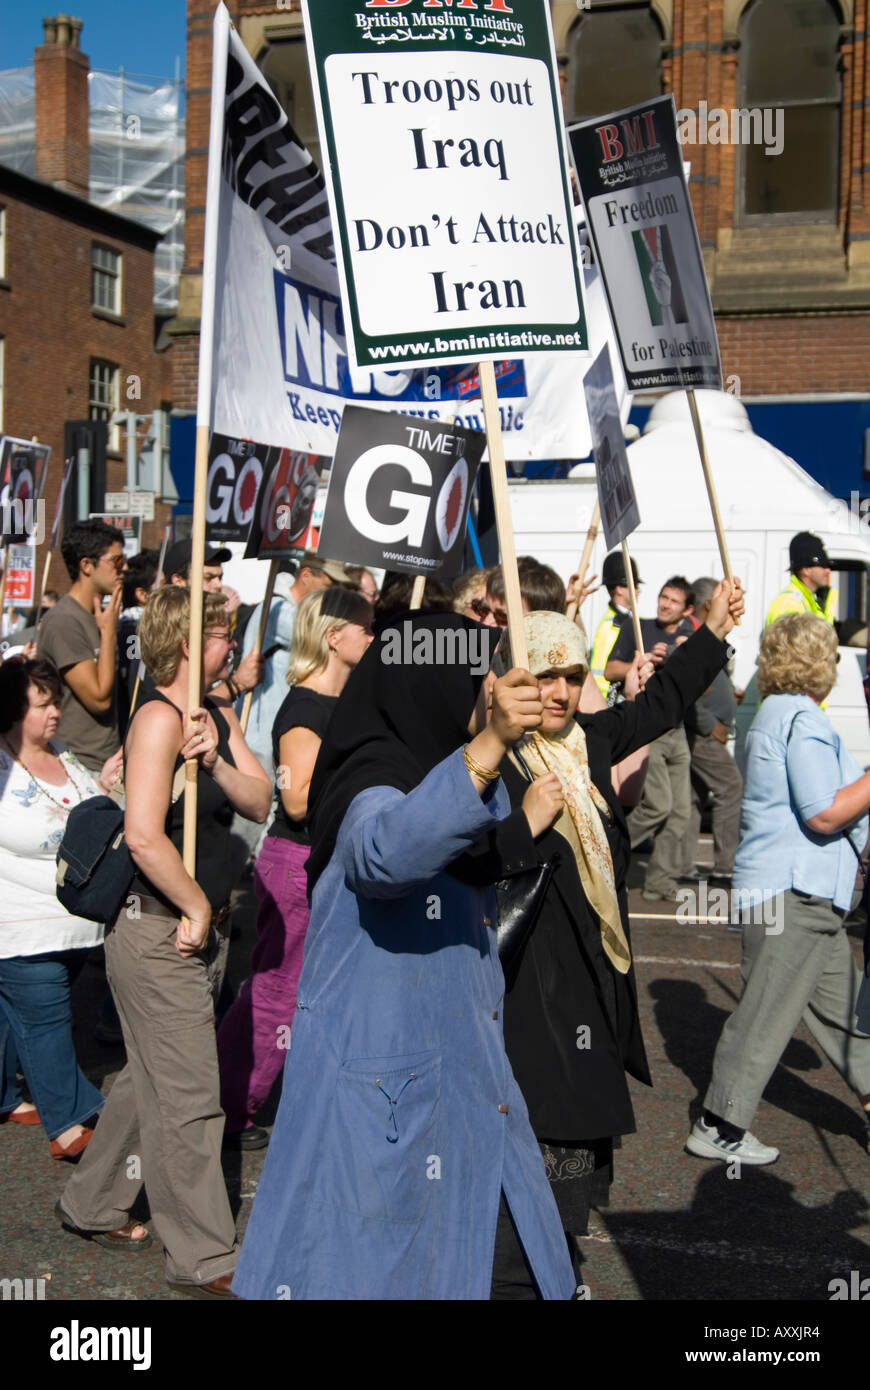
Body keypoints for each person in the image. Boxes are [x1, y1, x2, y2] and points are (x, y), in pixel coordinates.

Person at [231, 612, 578, 1301]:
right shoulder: (372, 775)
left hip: (469, 1086)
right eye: (474, 673)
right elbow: (385, 855)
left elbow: (474, 855)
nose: (486, 688)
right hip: (385, 1100)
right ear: (428, 678)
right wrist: (484, 748)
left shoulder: (449, 768)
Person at [479, 593, 742, 1295]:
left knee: (578, 1141)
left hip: (592, 978)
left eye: (571, 675)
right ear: (512, 679)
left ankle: (551, 1264)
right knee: (538, 1135)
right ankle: (519, 1279)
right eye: (544, 675)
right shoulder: (493, 760)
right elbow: (454, 860)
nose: (560, 691)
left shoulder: (585, 742)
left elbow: (659, 705)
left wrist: (711, 634)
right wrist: (520, 827)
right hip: (527, 986)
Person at [57, 587, 272, 1296]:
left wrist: (216, 760)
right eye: (218, 636)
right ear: (185, 642)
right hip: (161, 930)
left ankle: (91, 1202)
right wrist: (194, 905)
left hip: (197, 926)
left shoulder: (212, 713)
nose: (229, 647)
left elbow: (261, 800)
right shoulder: (155, 716)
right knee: (189, 1099)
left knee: (149, 1080)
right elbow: (146, 837)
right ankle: (204, 1255)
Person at [687, 613, 870, 1166]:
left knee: (850, 1020)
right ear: (821, 662)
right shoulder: (800, 718)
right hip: (795, 891)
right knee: (767, 1015)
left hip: (798, 893)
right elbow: (823, 812)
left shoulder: (771, 711)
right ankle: (719, 1124)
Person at [217, 587, 374, 1149]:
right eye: (365, 627)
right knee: (277, 991)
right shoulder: (307, 705)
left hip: (324, 860)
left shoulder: (347, 699)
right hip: (297, 862)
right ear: (335, 637)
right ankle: (233, 1107)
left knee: (314, 989)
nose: (373, 636)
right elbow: (300, 800)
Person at [0, 658, 122, 1159]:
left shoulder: (66, 754)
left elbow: (90, 815)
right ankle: (70, 1120)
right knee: (46, 1020)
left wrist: (107, 784)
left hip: (76, 922)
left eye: (56, 701)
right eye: (42, 703)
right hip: (20, 925)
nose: (55, 712)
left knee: (14, 1019)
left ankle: (7, 1094)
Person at [605, 575, 696, 902]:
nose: (665, 604)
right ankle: (605, 854)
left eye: (673, 600)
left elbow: (705, 685)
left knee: (680, 813)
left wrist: (686, 659)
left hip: (677, 729)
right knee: (658, 806)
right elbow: (609, 669)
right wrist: (640, 662)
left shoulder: (690, 637)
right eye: (663, 597)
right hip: (649, 727)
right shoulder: (638, 628)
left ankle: (660, 881)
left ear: (688, 610)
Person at [37, 520, 124, 772]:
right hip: (79, 764)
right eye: (116, 561)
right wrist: (107, 635)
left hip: (107, 761)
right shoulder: (64, 621)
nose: (123, 568)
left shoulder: (101, 617)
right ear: (86, 565)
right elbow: (98, 699)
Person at [679, 577, 743, 884]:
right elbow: (687, 688)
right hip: (702, 732)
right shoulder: (691, 633)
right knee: (730, 788)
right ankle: (724, 866)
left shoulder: (707, 634)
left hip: (704, 730)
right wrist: (708, 725)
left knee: (693, 796)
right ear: (709, 605)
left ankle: (683, 865)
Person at [588, 550, 642, 698]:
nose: (638, 591)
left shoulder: (619, 620)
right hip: (606, 698)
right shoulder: (615, 625)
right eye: (634, 585)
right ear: (619, 589)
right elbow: (609, 669)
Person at [765, 531, 836, 627]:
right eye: (822, 565)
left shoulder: (808, 602)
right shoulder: (790, 605)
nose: (828, 571)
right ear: (806, 570)